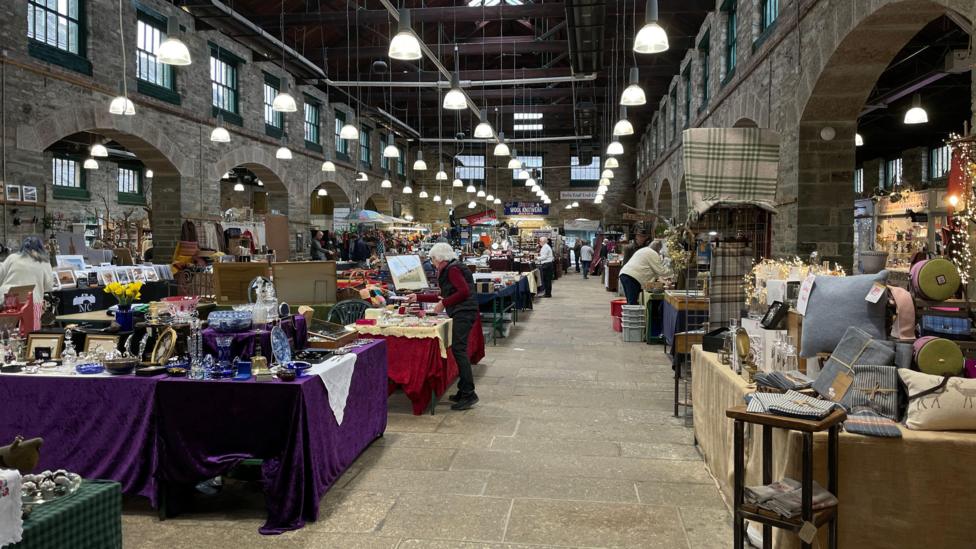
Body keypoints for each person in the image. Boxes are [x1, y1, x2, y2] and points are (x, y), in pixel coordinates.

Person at [408, 243, 479, 410]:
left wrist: (443, 304)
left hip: (464, 312)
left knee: (459, 351)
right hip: (464, 311)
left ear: (439, 259)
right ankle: (463, 390)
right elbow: (444, 295)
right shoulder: (452, 268)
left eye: (432, 259)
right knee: (459, 350)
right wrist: (418, 297)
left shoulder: (453, 270)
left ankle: (469, 394)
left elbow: (463, 293)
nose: (432, 262)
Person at [0, 236, 54, 330]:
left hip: (10, 298)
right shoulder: (44, 262)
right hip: (32, 300)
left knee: (7, 332)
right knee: (31, 333)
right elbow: (49, 286)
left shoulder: (12, 258)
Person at [618, 239, 669, 305]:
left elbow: (654, 270)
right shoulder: (652, 253)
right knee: (632, 303)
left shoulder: (644, 250)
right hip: (632, 277)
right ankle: (632, 314)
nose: (660, 253)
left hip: (626, 274)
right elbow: (661, 271)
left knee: (631, 301)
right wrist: (671, 272)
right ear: (658, 249)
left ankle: (630, 314)